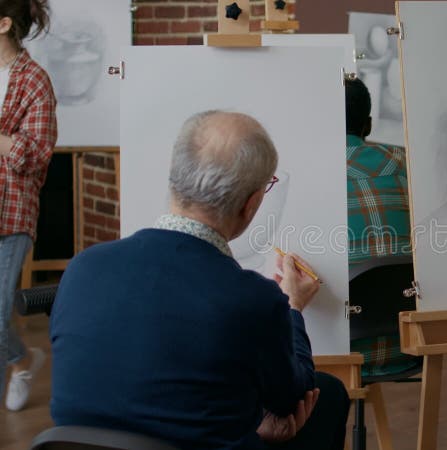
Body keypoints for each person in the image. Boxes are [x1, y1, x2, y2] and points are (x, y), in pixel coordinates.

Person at [50, 111, 350, 449]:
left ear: (175, 174)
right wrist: (292, 307)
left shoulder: (82, 268)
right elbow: (291, 398)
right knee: (329, 394)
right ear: (251, 205)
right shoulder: (253, 299)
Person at [0, 0, 56, 412]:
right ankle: (20, 359)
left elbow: (36, 152)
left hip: (12, 211)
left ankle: (19, 364)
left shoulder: (34, 80)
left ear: (3, 24)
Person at [344, 78, 419, 377]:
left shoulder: (306, 175)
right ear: (368, 125)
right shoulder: (408, 162)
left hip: (339, 352)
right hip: (416, 341)